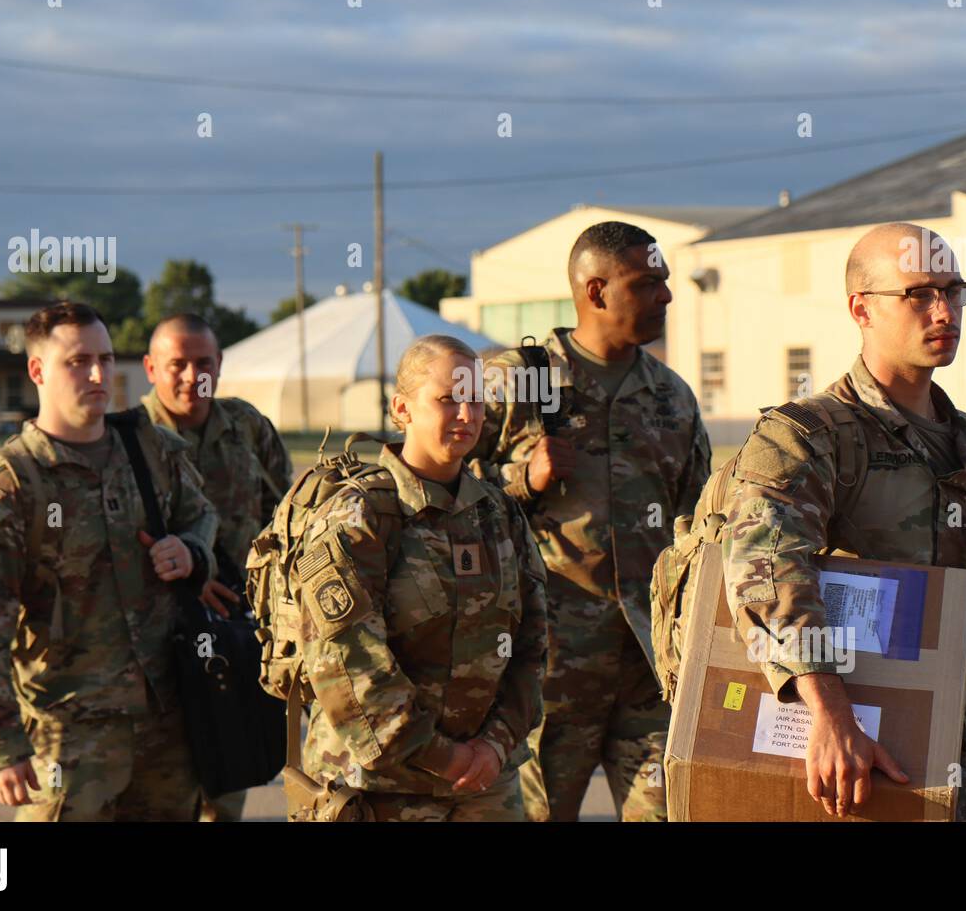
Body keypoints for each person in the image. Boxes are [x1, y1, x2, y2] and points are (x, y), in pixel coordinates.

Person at [704, 222, 966, 819]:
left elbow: (965, 617)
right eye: (918, 294)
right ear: (862, 309)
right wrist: (830, 716)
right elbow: (764, 575)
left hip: (962, 733)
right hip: (851, 741)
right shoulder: (806, 436)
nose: (943, 310)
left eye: (953, 290)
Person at [0, 301, 218, 821]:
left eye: (107, 359)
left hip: (167, 726)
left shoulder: (149, 449)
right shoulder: (10, 485)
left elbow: (201, 514)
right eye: (78, 361)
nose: (98, 374)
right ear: (38, 370)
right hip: (68, 737)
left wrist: (191, 551)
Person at [470, 222, 712, 821]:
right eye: (647, 282)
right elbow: (438, 501)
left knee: (669, 814)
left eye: (665, 281)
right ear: (597, 291)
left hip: (651, 667)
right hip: (546, 669)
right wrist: (522, 478)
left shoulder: (672, 397)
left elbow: (701, 522)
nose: (666, 296)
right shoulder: (516, 382)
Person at [293, 334, 547, 821]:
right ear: (402, 409)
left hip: (484, 785)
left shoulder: (499, 512)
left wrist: (494, 747)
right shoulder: (359, 517)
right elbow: (346, 664)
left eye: (475, 399)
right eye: (448, 399)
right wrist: (442, 757)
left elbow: (532, 645)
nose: (467, 415)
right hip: (381, 787)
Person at [138, 313, 292, 822]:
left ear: (220, 365)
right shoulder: (130, 440)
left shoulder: (247, 427)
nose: (190, 376)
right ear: (151, 368)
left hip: (241, 629)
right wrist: (193, 577)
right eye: (176, 364)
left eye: (203, 363)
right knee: (169, 783)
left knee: (231, 769)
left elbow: (286, 516)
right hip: (164, 635)